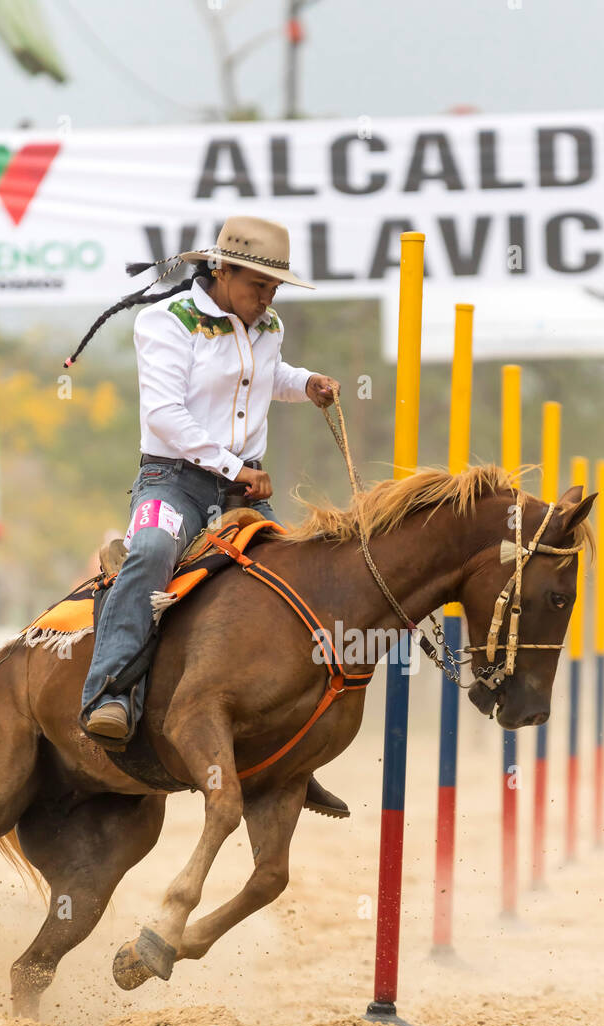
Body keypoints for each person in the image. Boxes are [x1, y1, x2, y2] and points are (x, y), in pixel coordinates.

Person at [64, 215, 347, 816]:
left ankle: (290, 745)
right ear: (222, 270)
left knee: (300, 581)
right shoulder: (165, 323)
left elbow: (265, 378)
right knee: (151, 554)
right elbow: (166, 415)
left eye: (274, 289)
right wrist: (233, 468)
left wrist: (308, 384)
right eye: (258, 286)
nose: (267, 298)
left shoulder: (266, 324)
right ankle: (107, 694)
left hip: (241, 492)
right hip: (174, 483)